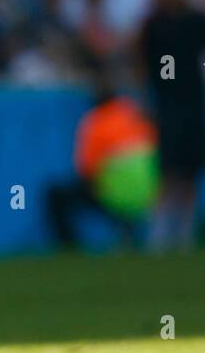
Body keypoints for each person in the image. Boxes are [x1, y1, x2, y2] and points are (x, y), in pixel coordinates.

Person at [140, 0, 205, 250]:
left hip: (193, 101)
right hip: (168, 103)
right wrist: (147, 97)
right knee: (169, 169)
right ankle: (159, 232)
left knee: (192, 168)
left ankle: (185, 232)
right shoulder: (154, 24)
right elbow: (144, 63)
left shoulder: (197, 21)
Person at [46, 78, 158, 248]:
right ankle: (127, 227)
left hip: (114, 195)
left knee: (56, 194)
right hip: (152, 194)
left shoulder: (95, 121)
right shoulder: (137, 114)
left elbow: (86, 170)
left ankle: (70, 249)